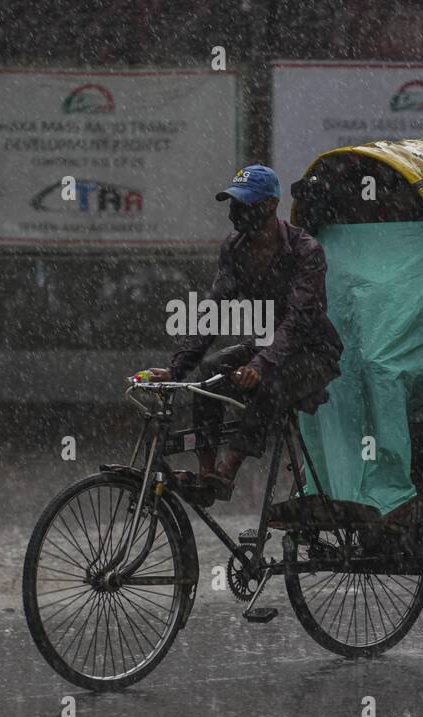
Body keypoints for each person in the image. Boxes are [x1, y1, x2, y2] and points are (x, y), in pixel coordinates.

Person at [138, 165, 343, 501]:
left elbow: (298, 321)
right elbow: (213, 311)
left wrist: (260, 365)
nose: (236, 212)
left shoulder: (305, 251)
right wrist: (176, 368)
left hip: (314, 351)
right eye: (233, 204)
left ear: (270, 205)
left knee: (270, 384)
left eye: (245, 204)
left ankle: (229, 469)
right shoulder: (235, 248)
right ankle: (208, 474)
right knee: (209, 374)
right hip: (267, 343)